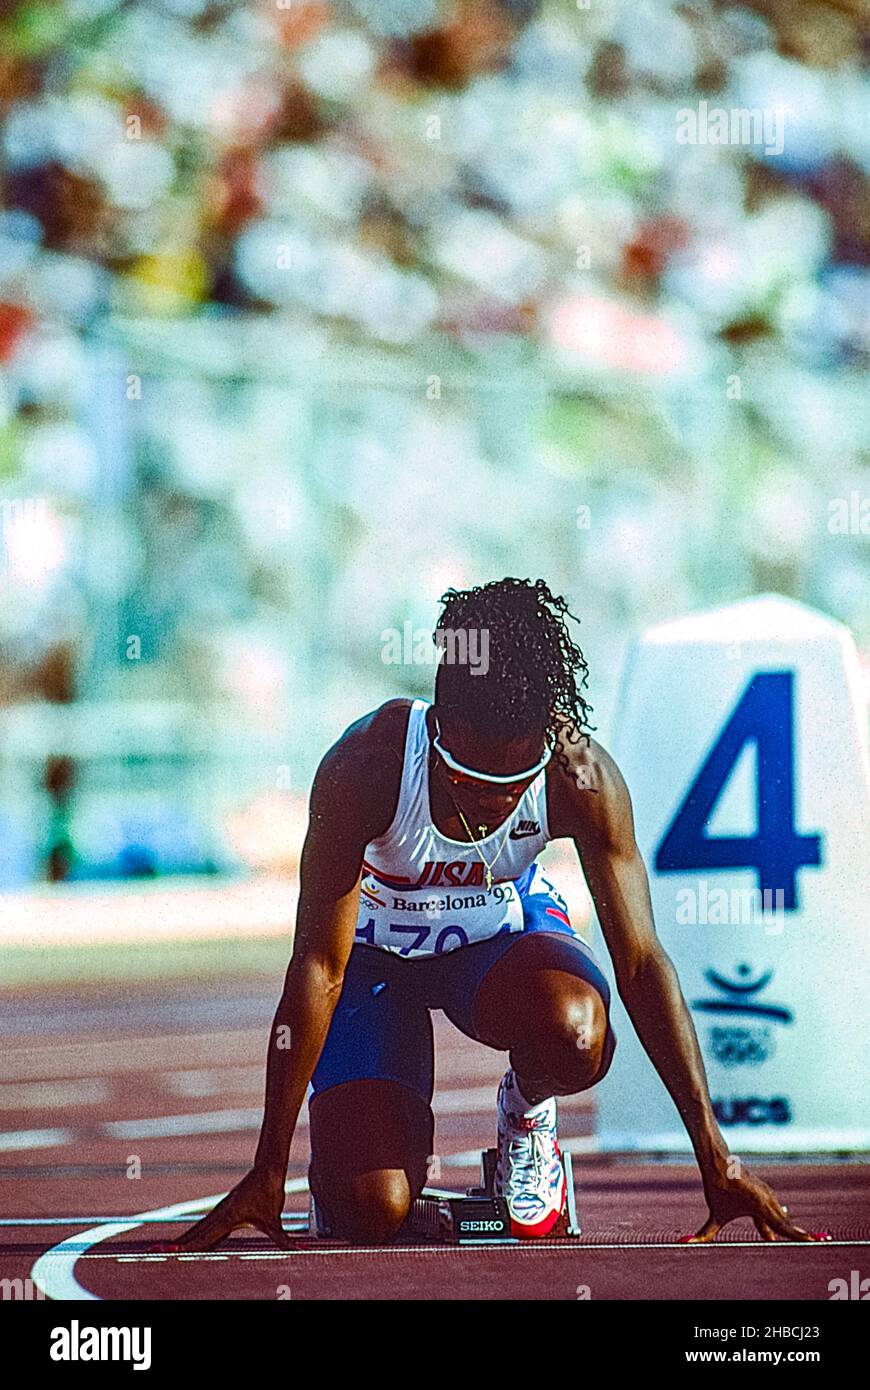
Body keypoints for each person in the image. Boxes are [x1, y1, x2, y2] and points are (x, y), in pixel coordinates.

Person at [177, 577, 825, 1247]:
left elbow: (639, 962)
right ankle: (356, 1190)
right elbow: (318, 965)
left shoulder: (580, 776)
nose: (494, 802)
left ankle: (525, 1116)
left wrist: (716, 1156)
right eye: (470, 780)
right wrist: (266, 1165)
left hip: (495, 945)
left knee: (577, 1031)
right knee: (372, 1210)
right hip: (374, 959)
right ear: (438, 727)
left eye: (515, 785)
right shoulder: (365, 767)